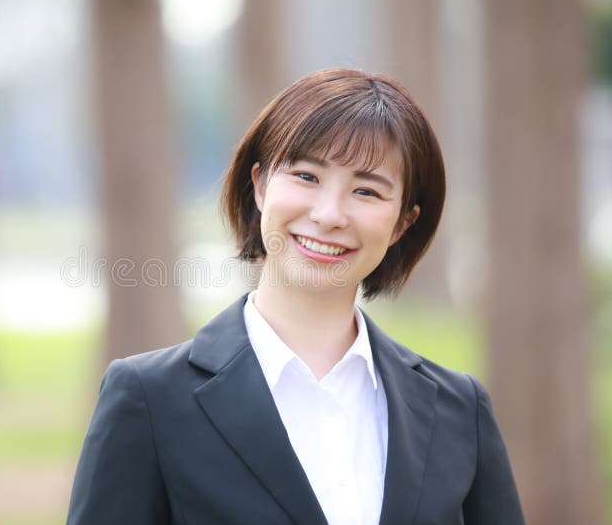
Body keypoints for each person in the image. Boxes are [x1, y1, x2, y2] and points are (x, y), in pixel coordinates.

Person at [66, 68, 524, 525]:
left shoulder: (458, 410)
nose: (328, 215)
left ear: (403, 223)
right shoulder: (150, 399)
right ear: (261, 184)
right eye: (306, 176)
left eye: (366, 191)